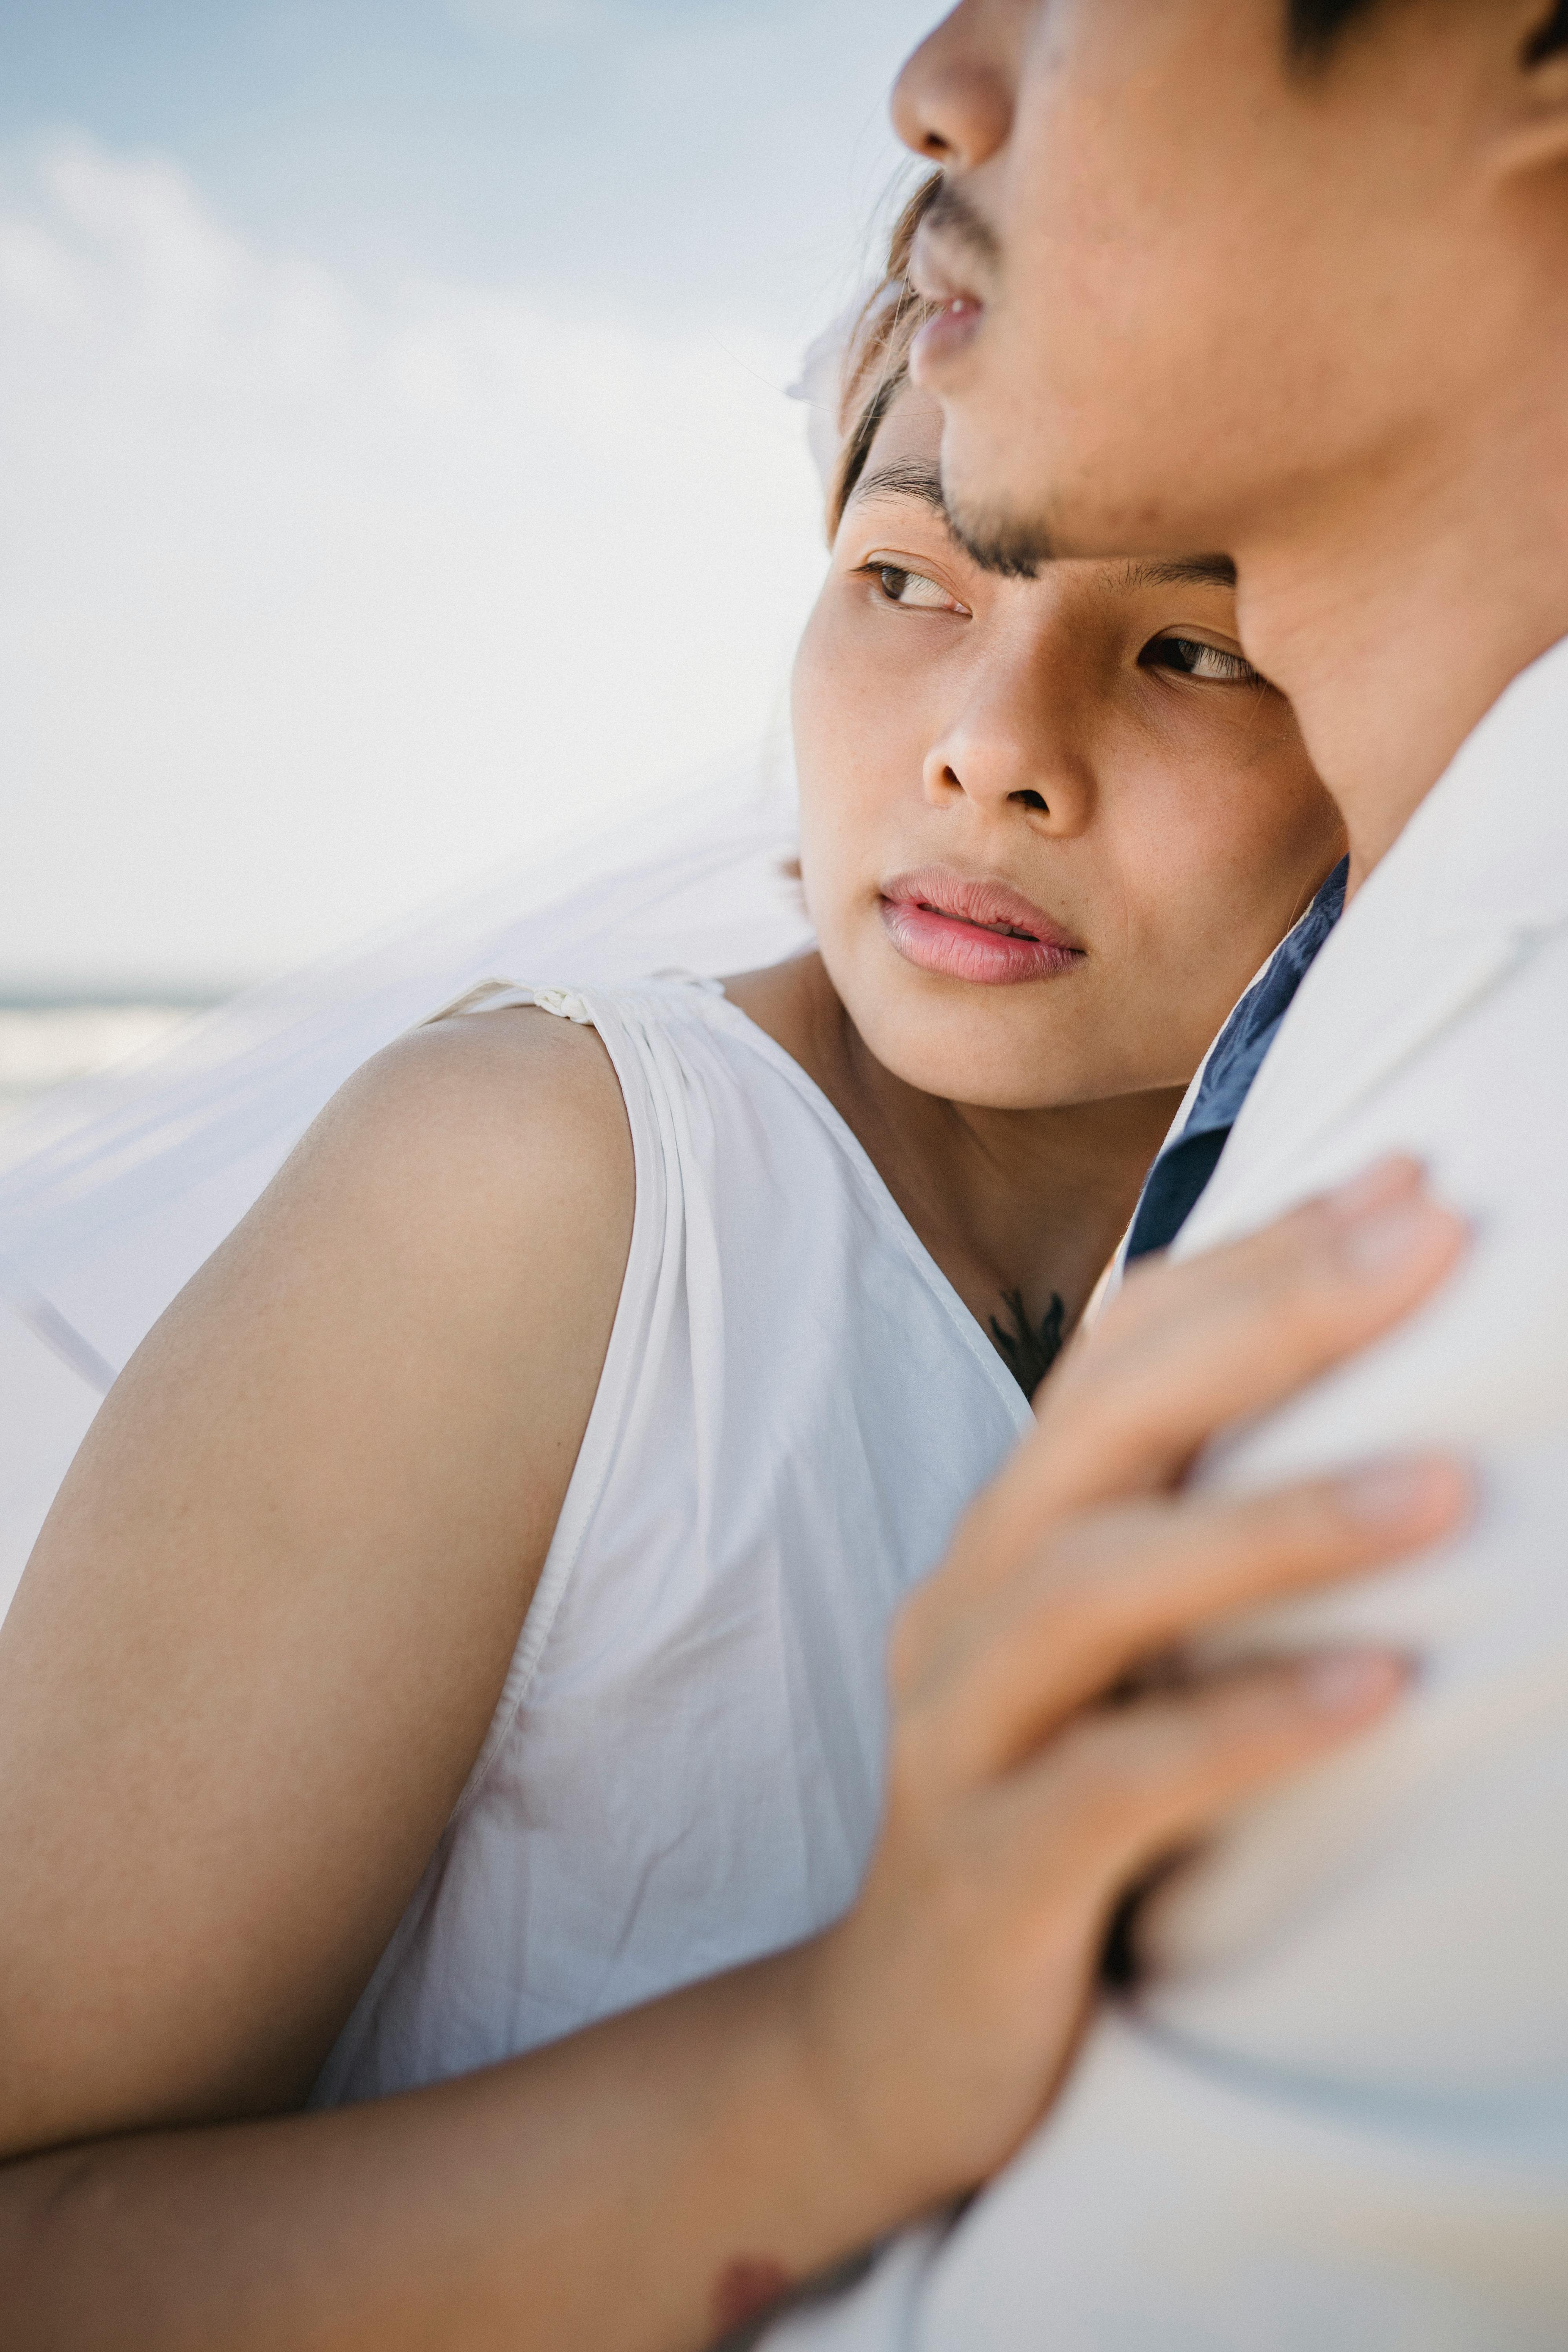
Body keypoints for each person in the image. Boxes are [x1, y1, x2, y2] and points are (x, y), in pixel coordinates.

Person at [0, 192, 1469, 2348]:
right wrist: (831, 2078)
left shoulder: (1373, 1278)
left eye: (1192, 647)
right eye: (905, 579)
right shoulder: (537, 1181)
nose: (988, 744)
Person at [755, 3, 1568, 2343]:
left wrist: (838, 2074)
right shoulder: (1371, 974)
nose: (935, 77)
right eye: (896, 586)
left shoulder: (1475, 1249)